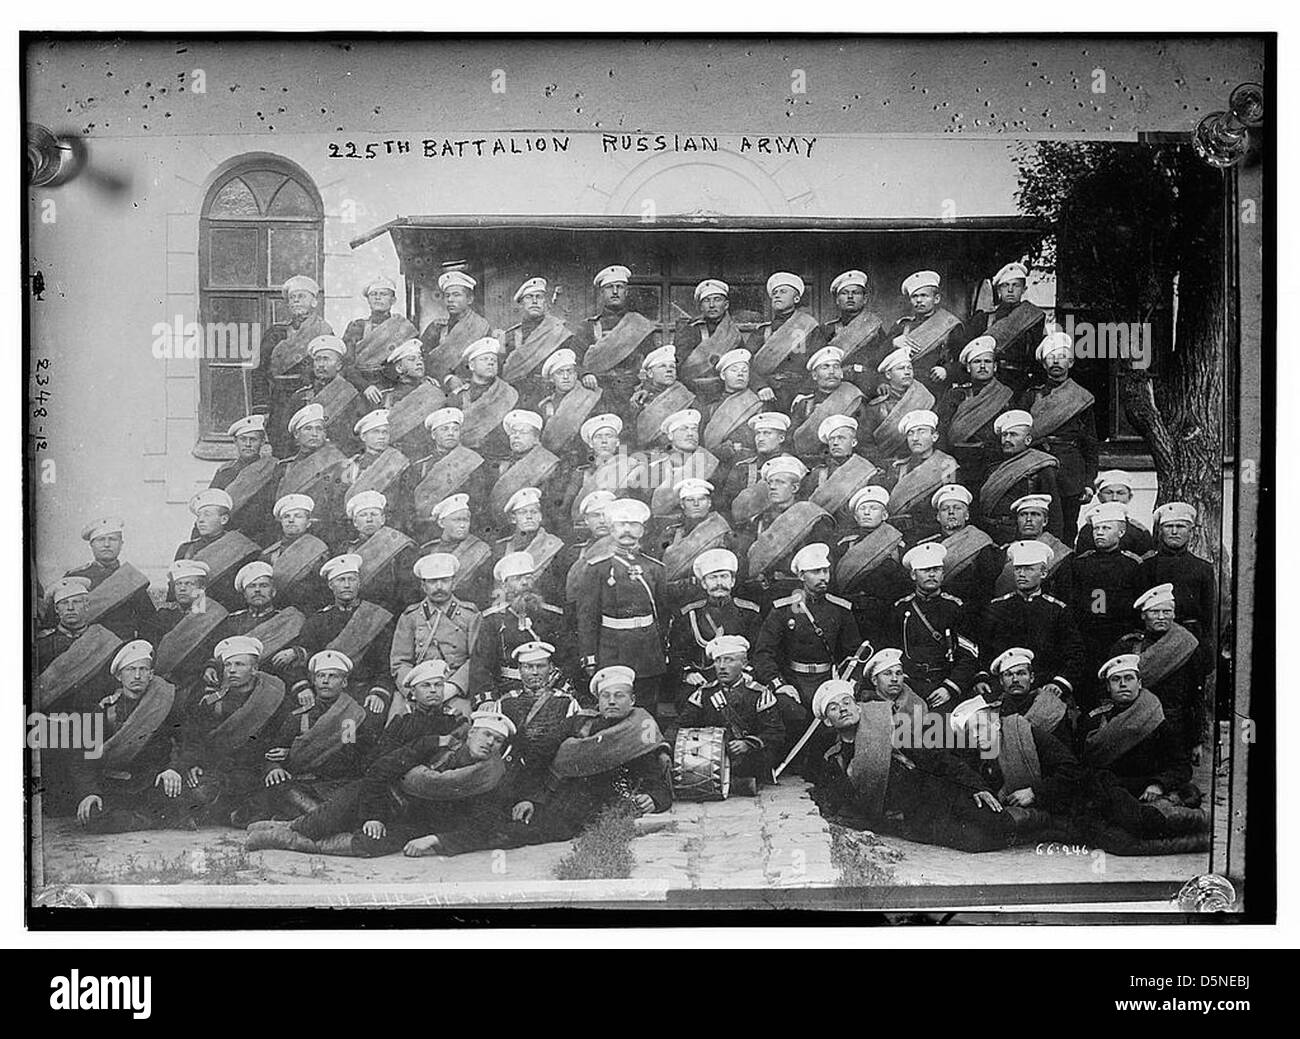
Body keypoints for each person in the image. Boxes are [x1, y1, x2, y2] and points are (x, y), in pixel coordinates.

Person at [401, 665, 672, 857]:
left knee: (515, 834)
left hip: (603, 804)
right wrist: (529, 797)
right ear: (597, 700)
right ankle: (440, 836)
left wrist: (654, 798)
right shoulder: (580, 722)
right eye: (606, 696)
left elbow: (657, 780)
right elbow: (537, 754)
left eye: (619, 696)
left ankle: (441, 840)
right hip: (563, 798)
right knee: (510, 825)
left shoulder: (640, 730)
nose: (612, 701)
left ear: (632, 699)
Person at [247, 707, 512, 857]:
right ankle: (287, 828)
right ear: (472, 733)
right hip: (378, 796)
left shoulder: (489, 777)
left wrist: (434, 839)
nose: (489, 743)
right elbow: (379, 770)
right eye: (486, 734)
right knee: (322, 823)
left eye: (497, 740)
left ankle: (284, 837)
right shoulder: (436, 746)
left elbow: (483, 827)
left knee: (368, 846)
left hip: (410, 822)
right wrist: (373, 816)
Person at [809, 680, 1018, 852]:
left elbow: (937, 759)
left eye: (846, 702)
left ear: (858, 707)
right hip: (913, 819)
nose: (843, 709)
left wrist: (976, 787)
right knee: (978, 841)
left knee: (1000, 822)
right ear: (828, 721)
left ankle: (1038, 820)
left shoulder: (889, 730)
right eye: (834, 708)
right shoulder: (833, 760)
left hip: (939, 795)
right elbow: (839, 805)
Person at [170, 635, 294, 827]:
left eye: (239, 665)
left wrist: (278, 760)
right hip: (221, 771)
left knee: (278, 790)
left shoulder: (273, 696)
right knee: (195, 792)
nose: (232, 670)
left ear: (255, 669)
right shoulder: (212, 701)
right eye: (228, 665)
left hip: (258, 769)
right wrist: (193, 764)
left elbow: (286, 735)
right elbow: (194, 738)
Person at [70, 640, 191, 833]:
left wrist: (173, 769)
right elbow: (83, 757)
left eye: (143, 669)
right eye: (130, 669)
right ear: (119, 676)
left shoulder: (166, 702)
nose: (137, 675)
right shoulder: (104, 710)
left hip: (154, 783)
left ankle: (144, 817)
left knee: (194, 792)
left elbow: (187, 741)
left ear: (151, 675)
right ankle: (155, 818)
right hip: (114, 787)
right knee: (92, 815)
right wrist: (89, 793)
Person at [249, 649, 385, 821]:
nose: (325, 681)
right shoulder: (299, 715)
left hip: (334, 783)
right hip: (302, 783)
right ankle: (319, 815)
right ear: (314, 681)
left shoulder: (350, 716)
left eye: (333, 676)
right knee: (276, 785)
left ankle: (313, 816)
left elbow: (347, 757)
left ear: (344, 682)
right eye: (321, 676)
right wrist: (274, 768)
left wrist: (292, 755)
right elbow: (273, 751)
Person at [574, 498, 669, 715]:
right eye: (620, 525)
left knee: (646, 706)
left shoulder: (655, 568)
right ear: (611, 528)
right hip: (612, 649)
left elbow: (663, 613)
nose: (627, 530)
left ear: (642, 530)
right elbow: (587, 617)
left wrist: (660, 648)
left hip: (647, 648)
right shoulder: (597, 567)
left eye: (633, 524)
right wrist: (589, 656)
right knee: (613, 705)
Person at [276, 553, 396, 717]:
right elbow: (300, 661)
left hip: (362, 691)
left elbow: (386, 663)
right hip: (322, 693)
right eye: (341, 580)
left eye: (351, 579)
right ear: (331, 585)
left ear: (359, 583)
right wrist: (302, 687)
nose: (347, 585)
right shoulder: (317, 620)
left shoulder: (376, 616)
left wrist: (379, 692)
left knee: (359, 730)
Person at [979, 539, 1087, 710]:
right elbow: (984, 649)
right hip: (1003, 688)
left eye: (1029, 569)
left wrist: (1060, 683)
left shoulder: (1058, 610)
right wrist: (983, 677)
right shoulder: (997, 607)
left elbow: (1075, 653)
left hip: (1045, 688)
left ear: (1043, 572)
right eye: (1018, 569)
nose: (1021, 574)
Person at [1109, 583, 1212, 759]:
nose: (1161, 617)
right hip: (1136, 724)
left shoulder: (1187, 645)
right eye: (1155, 612)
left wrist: (1197, 740)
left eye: (1167, 612)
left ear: (1174, 614)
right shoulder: (1126, 646)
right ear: (1143, 615)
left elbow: (1196, 693)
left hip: (1175, 726)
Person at [1018, 331, 1098, 536]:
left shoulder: (1081, 398)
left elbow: (1090, 443)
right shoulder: (1031, 396)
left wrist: (1089, 482)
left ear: (1070, 362)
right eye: (1051, 357)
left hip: (1070, 471)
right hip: (1037, 466)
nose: (1056, 361)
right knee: (1035, 525)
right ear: (1044, 364)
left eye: (1062, 356)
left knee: (1068, 528)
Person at [678, 635, 785, 788]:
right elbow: (682, 725)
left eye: (729, 660)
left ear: (744, 663)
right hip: (711, 760)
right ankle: (736, 785)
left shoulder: (759, 694)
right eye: (717, 660)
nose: (722, 666)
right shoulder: (704, 694)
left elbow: (776, 734)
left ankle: (734, 783)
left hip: (747, 759)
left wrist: (748, 744)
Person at [888, 542, 980, 713]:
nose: (931, 574)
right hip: (910, 685)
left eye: (936, 570)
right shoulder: (901, 609)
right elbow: (893, 652)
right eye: (925, 570)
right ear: (913, 575)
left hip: (945, 683)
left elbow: (969, 654)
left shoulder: (956, 607)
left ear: (943, 574)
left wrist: (950, 688)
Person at [470, 551, 573, 699]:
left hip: (551, 688)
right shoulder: (492, 620)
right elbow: (481, 665)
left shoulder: (553, 616)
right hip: (507, 688)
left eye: (528, 577)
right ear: (504, 586)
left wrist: (560, 684)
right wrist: (487, 699)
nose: (525, 583)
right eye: (517, 579)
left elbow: (569, 657)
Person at [668, 548, 763, 705]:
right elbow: (676, 653)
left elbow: (758, 651)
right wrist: (687, 674)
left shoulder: (749, 612)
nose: (719, 583)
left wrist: (747, 672)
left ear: (732, 581)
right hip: (702, 679)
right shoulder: (689, 614)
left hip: (741, 677)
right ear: (704, 584)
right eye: (713, 578)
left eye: (724, 577)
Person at [254, 274, 334, 456]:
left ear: (314, 302)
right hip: (279, 401)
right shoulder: (275, 334)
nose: (296, 301)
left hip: (310, 399)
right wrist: (261, 408)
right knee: (281, 446)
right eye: (292, 297)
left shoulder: (324, 332)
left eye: (302, 296)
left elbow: (332, 369)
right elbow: (260, 372)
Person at [388, 552, 482, 706]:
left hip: (454, 689)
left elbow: (477, 658)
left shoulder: (470, 615)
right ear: (423, 586)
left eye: (444, 581)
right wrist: (413, 691)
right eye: (432, 582)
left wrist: (453, 687)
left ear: (454, 583)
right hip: (416, 690)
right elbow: (399, 662)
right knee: (397, 722)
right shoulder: (410, 617)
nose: (439, 587)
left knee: (464, 721)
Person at [495, 640, 584, 795]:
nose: (534, 672)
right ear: (520, 670)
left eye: (540, 666)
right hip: (514, 774)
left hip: (553, 775)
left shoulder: (566, 701)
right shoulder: (505, 703)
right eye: (528, 667)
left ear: (550, 668)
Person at [572, 265, 661, 413]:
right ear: (601, 293)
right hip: (596, 395)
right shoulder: (589, 327)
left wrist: (646, 388)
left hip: (631, 394)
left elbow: (655, 362)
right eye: (609, 287)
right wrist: (585, 374)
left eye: (619, 287)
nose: (614, 292)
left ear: (626, 292)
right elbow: (573, 360)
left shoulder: (639, 325)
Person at [831, 485, 909, 648]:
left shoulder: (897, 545)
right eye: (862, 509)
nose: (867, 512)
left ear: (885, 515)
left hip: (885, 614)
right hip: (850, 612)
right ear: (856, 516)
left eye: (873, 508)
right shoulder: (844, 545)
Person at [1070, 500, 1144, 672]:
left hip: (1121, 634)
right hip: (1088, 633)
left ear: (1121, 532)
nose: (1099, 533)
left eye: (1106, 528)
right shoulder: (1081, 563)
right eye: (1096, 529)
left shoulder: (1132, 564)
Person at [935, 336, 1014, 488]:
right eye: (977, 362)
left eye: (988, 362)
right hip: (957, 462)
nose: (983, 366)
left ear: (995, 367)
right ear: (969, 368)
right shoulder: (955, 395)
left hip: (991, 463)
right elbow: (942, 431)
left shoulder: (1005, 396)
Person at [976, 409, 1064, 543]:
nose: (1007, 439)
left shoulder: (1041, 466)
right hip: (990, 534)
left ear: (1028, 439)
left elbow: (1054, 512)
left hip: (1019, 536)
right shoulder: (992, 467)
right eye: (1004, 435)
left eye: (1013, 435)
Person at [64, 516, 156, 640]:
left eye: (112, 539)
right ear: (91, 544)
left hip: (122, 645)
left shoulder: (130, 578)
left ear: (121, 544)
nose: (106, 544)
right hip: (85, 647)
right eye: (101, 540)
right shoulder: (75, 577)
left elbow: (148, 620)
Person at [273, 403, 352, 548]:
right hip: (289, 535)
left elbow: (340, 509)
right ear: (296, 434)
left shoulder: (338, 463)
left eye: (319, 429)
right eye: (308, 429)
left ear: (325, 434)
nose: (314, 434)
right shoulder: (284, 467)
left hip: (325, 537)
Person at [1138, 502, 1217, 642]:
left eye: (1180, 526)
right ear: (1160, 531)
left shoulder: (1203, 568)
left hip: (1193, 637)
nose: (1174, 532)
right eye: (1169, 526)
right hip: (1156, 638)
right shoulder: (1147, 567)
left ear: (1190, 531)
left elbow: (1209, 614)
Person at [333, 490, 420, 615]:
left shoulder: (400, 546)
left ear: (383, 519)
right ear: (355, 523)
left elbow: (407, 590)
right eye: (363, 515)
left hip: (389, 612)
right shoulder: (346, 549)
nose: (369, 519)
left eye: (374, 514)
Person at [880, 409, 959, 543]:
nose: (915, 438)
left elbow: (951, 501)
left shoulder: (946, 465)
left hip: (931, 534)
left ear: (934, 436)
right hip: (896, 536)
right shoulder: (898, 468)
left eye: (922, 432)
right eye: (910, 433)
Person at [747, 271, 825, 407]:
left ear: (796, 299)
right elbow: (746, 362)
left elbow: (820, 361)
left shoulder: (810, 327)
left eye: (783, 291)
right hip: (767, 393)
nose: (777, 295)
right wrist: (760, 386)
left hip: (801, 393)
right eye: (775, 293)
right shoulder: (762, 331)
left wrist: (805, 391)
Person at [964, 261, 1046, 391]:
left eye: (1016, 285)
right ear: (998, 290)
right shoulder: (984, 318)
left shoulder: (1033, 317)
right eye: (1005, 285)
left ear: (1024, 289)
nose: (1010, 290)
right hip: (990, 381)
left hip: (1021, 382)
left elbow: (1036, 356)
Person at [498, 276, 577, 405]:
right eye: (529, 297)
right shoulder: (508, 336)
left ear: (545, 303)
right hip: (515, 396)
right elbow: (500, 372)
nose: (534, 301)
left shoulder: (560, 332)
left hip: (548, 396)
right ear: (521, 304)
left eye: (539, 297)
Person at [203, 415, 280, 542]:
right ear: (235, 441)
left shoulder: (274, 468)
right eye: (243, 439)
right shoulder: (224, 472)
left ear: (262, 442)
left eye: (253, 440)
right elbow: (210, 506)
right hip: (227, 538)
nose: (248, 444)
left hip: (261, 537)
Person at [341, 275, 418, 401]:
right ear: (368, 300)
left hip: (393, 387)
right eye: (373, 294)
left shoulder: (403, 328)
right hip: (360, 387)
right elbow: (346, 364)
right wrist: (365, 386)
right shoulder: (356, 327)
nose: (378, 297)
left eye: (383, 294)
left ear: (393, 300)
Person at [888, 270, 966, 393]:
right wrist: (892, 343)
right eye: (914, 296)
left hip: (934, 389)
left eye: (924, 296)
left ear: (936, 299)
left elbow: (964, 362)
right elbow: (876, 358)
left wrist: (947, 371)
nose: (919, 300)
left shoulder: (951, 325)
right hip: (901, 389)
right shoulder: (902, 325)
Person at [720, 411, 800, 526]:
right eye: (758, 433)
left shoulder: (794, 466)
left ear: (781, 438)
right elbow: (727, 504)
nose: (760, 438)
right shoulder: (742, 468)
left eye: (767, 433)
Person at [789, 346, 870, 458]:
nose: (831, 372)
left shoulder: (853, 398)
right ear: (814, 375)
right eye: (825, 367)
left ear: (841, 373)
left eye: (836, 367)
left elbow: (865, 441)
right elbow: (793, 442)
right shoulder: (805, 404)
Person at [674, 279, 746, 400]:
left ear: (726, 305)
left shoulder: (733, 334)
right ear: (701, 307)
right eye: (707, 300)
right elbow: (678, 365)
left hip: (724, 393)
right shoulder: (690, 330)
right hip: (693, 392)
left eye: (717, 299)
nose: (712, 305)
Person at [419, 269, 492, 387]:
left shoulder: (481, 327)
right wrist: (447, 378)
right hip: (438, 386)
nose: (450, 300)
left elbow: (488, 363)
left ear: (470, 299)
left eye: (456, 295)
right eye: (447, 295)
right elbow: (421, 361)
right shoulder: (436, 328)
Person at [343, 409, 412, 534]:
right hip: (358, 528)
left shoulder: (399, 462)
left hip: (391, 528)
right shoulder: (351, 466)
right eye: (375, 432)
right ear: (363, 436)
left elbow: (405, 504)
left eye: (385, 432)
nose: (381, 436)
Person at [492, 487, 565, 603]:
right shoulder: (500, 548)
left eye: (534, 512)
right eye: (522, 512)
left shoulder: (556, 548)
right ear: (513, 518)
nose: (529, 516)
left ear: (540, 517)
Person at [294, 334, 365, 454]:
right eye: (317, 359)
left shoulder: (352, 396)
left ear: (339, 365)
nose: (320, 364)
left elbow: (358, 438)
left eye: (326, 359)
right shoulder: (300, 397)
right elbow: (288, 438)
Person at [864, 347, 936, 464]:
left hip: (920, 462)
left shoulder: (925, 398)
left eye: (910, 368)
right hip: (887, 464)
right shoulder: (876, 407)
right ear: (888, 374)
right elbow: (866, 443)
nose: (907, 372)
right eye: (901, 368)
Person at [988, 646, 1073, 745]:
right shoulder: (992, 713)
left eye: (1021, 673)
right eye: (1008, 674)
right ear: (1001, 681)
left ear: (1031, 678)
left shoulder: (1052, 708)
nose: (1015, 679)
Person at [259, 493, 330, 612]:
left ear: (308, 523)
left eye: (298, 516)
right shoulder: (267, 554)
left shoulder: (318, 550)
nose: (291, 520)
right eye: (286, 516)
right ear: (281, 522)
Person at [821, 268, 888, 393]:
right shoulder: (827, 329)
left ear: (865, 299)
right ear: (837, 300)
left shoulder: (874, 327)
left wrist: (881, 382)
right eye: (844, 293)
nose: (850, 297)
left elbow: (884, 360)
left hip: (867, 386)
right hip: (835, 387)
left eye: (856, 293)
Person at [422, 494, 493, 608]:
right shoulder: (428, 550)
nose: (462, 525)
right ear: (441, 523)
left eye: (465, 520)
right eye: (456, 520)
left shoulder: (481, 551)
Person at [700, 348, 767, 466]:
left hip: (748, 463)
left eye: (745, 371)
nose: (740, 374)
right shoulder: (711, 407)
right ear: (722, 375)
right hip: (714, 463)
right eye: (734, 370)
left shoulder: (759, 404)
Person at [629, 345, 697, 451]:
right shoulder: (638, 397)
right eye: (662, 366)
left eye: (672, 367)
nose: (669, 370)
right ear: (650, 373)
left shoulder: (684, 396)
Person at [1075, 470, 1154, 554]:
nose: (1115, 498)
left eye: (1120, 493)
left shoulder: (1139, 532)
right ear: (1099, 497)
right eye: (1108, 493)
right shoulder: (1088, 530)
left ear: (1130, 497)